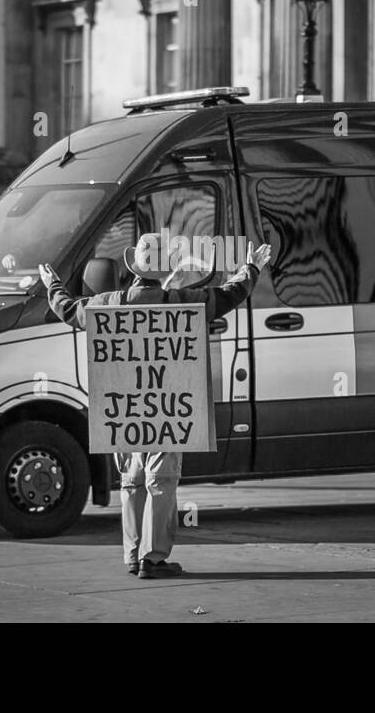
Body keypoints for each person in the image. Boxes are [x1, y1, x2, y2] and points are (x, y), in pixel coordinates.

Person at [40, 232, 271, 579]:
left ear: (131, 269)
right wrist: (251, 268)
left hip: (124, 407)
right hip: (166, 405)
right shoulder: (181, 299)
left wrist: (53, 285)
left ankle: (133, 556)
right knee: (160, 481)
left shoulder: (108, 303)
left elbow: (68, 310)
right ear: (162, 271)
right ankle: (154, 558)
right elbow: (227, 296)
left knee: (132, 481)